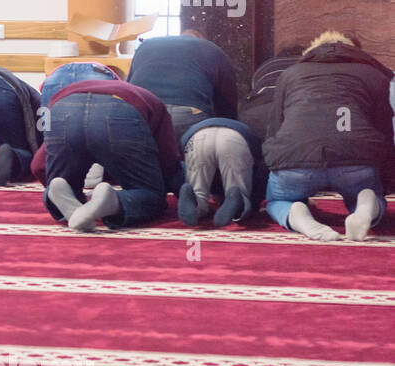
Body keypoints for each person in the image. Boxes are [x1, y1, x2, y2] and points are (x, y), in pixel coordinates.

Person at [261, 31, 394, 242]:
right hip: (356, 163)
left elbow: (275, 127)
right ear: (355, 52)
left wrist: (275, 161)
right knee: (371, 194)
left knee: (278, 199)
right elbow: (385, 131)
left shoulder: (290, 73)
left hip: (296, 163)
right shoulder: (373, 75)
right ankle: (366, 205)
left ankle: (296, 214)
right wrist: (385, 181)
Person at [32, 79, 181, 231]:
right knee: (152, 195)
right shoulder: (150, 99)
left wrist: (50, 180)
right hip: (121, 111)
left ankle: (61, 189)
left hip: (61, 109)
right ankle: (114, 200)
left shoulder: (73, 90)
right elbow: (168, 159)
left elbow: (38, 165)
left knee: (60, 182)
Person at [127, 29, 238, 144]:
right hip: (189, 113)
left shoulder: (146, 45)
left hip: (141, 113)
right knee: (189, 158)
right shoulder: (210, 48)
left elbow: (128, 87)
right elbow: (227, 101)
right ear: (200, 40)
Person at [177, 118, 267, 227]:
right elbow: (260, 173)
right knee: (238, 190)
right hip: (236, 138)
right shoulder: (251, 131)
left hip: (196, 136)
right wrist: (254, 202)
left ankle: (196, 204)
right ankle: (238, 204)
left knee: (197, 190)